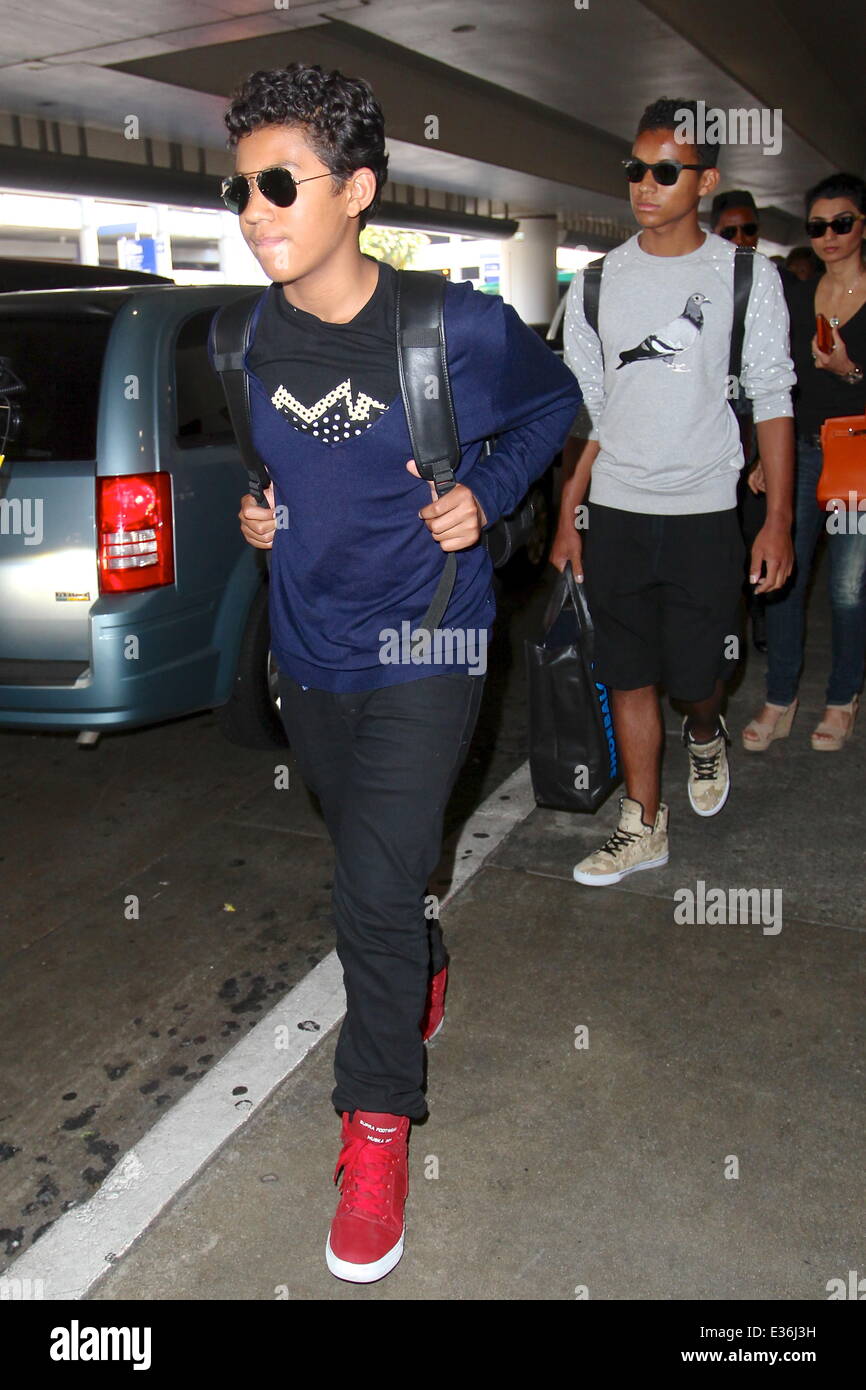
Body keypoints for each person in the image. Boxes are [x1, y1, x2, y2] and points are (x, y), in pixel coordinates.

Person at [212, 62, 581, 1283]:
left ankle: (374, 1121)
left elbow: (554, 405)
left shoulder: (453, 327)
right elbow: (276, 473)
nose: (256, 209)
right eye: (241, 186)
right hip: (309, 652)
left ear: (356, 190)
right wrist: (261, 517)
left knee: (370, 885)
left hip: (430, 639)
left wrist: (486, 494)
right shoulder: (243, 334)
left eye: (281, 183)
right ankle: (414, 960)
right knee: (374, 868)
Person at [552, 96, 795, 886]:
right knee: (626, 670)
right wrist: (567, 513)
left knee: (697, 678)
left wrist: (779, 521)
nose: (645, 185)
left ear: (705, 181)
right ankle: (643, 823)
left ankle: (705, 728)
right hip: (617, 509)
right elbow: (588, 412)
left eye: (665, 171)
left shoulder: (747, 277)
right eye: (636, 169)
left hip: (703, 515)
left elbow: (774, 395)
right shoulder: (594, 284)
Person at [743, 172, 866, 752]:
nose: (828, 236)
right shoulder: (796, 295)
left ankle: (842, 698)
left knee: (848, 587)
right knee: (781, 578)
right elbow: (777, 386)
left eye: (841, 223)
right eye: (818, 226)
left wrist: (850, 372)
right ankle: (780, 698)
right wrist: (772, 455)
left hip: (858, 457)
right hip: (803, 453)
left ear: (862, 225)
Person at [710, 189, 767, 652]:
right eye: (730, 231)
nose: (741, 238)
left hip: (755, 438)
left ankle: (757, 620)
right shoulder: (699, 286)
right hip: (712, 441)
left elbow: (780, 391)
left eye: (749, 228)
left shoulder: (768, 283)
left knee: (755, 533)